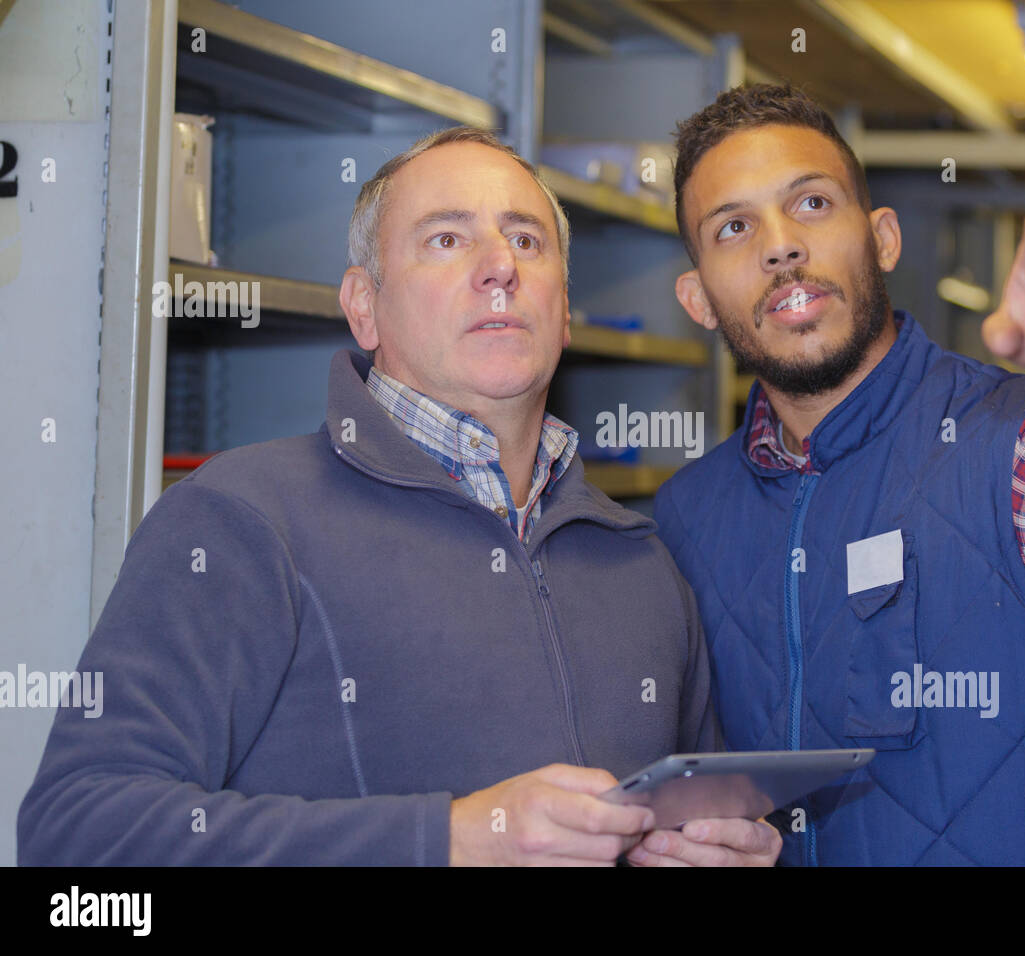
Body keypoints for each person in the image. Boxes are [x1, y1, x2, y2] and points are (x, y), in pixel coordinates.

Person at [18, 127, 779, 867]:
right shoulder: (241, 522)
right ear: (363, 306)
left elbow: (690, 815)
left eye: (527, 240)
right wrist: (447, 841)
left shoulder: (638, 562)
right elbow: (76, 831)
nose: (499, 268)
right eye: (445, 240)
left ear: (566, 308)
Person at [652, 83, 1025, 865]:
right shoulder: (685, 520)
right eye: (734, 227)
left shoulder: (1019, 447)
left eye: (810, 204)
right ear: (698, 300)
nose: (779, 245)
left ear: (883, 240)